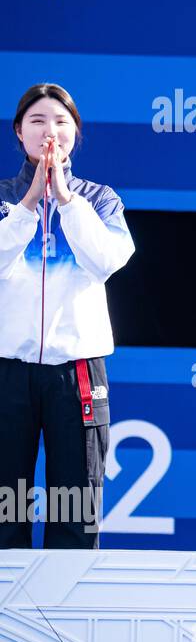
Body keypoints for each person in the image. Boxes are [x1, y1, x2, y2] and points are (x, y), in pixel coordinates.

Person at [0, 83, 135, 549]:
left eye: (60, 122)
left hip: (76, 370)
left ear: (75, 133)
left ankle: (65, 622)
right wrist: (27, 206)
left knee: (74, 508)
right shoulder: (2, 199)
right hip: (7, 371)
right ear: (19, 133)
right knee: (5, 506)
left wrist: (66, 201)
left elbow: (107, 260)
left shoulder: (99, 200)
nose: (49, 132)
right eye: (37, 122)